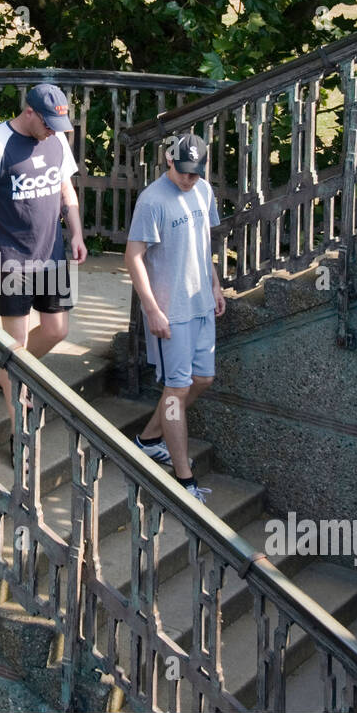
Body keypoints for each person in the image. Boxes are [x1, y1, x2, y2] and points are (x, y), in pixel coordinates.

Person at [0, 83, 88, 429]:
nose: (52, 132)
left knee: (57, 329)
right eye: (47, 124)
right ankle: (21, 431)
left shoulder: (56, 138)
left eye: (57, 126)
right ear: (28, 112)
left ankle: (6, 372)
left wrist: (75, 231)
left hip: (52, 252)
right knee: (16, 342)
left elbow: (65, 187)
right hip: (12, 256)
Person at [124, 132, 224, 502]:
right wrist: (151, 309)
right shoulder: (151, 201)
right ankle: (184, 479)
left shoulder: (203, 191)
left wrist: (214, 284)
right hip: (172, 312)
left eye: (195, 173)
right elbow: (133, 256)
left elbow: (203, 243)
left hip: (201, 304)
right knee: (176, 390)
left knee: (203, 379)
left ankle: (149, 439)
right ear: (169, 161)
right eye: (183, 172)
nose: (188, 179)